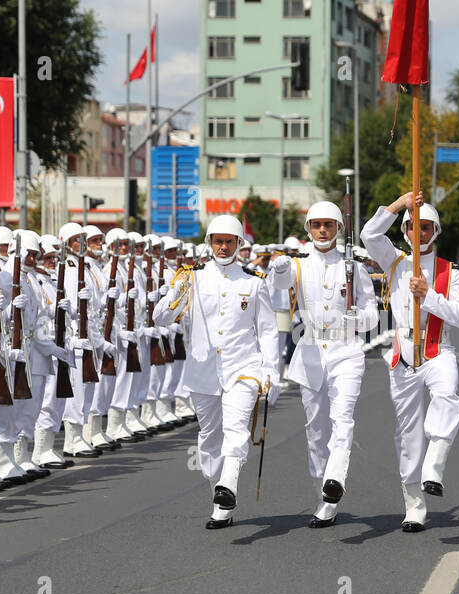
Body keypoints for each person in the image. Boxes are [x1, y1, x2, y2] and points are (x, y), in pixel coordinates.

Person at [155, 215, 279, 529]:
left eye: (229, 242)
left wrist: (271, 371)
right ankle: (220, 498)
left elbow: (267, 331)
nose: (223, 247)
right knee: (209, 439)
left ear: (240, 244)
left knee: (236, 429)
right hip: (202, 371)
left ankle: (228, 486)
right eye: (218, 241)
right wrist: (176, 295)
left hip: (243, 367)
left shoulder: (254, 281)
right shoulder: (191, 277)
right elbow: (160, 320)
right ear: (209, 243)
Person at [360, 190, 459, 533]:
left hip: (438, 348)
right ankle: (413, 505)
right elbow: (368, 234)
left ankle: (434, 468)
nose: (417, 233)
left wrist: (430, 296)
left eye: (425, 228)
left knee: (448, 396)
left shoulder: (452, 272)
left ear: (435, 233)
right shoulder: (392, 259)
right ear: (405, 230)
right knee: (407, 431)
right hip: (404, 352)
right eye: (412, 227)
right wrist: (400, 204)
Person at [266, 201, 378, 528]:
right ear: (309, 228)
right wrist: (280, 267)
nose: (323, 230)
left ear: (338, 229)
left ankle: (336, 478)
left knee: (342, 416)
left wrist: (361, 318)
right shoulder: (298, 263)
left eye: (329, 224)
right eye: (316, 225)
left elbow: (373, 311)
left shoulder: (354, 266)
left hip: (346, 348)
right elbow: (279, 285)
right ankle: (323, 497)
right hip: (311, 349)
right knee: (316, 429)